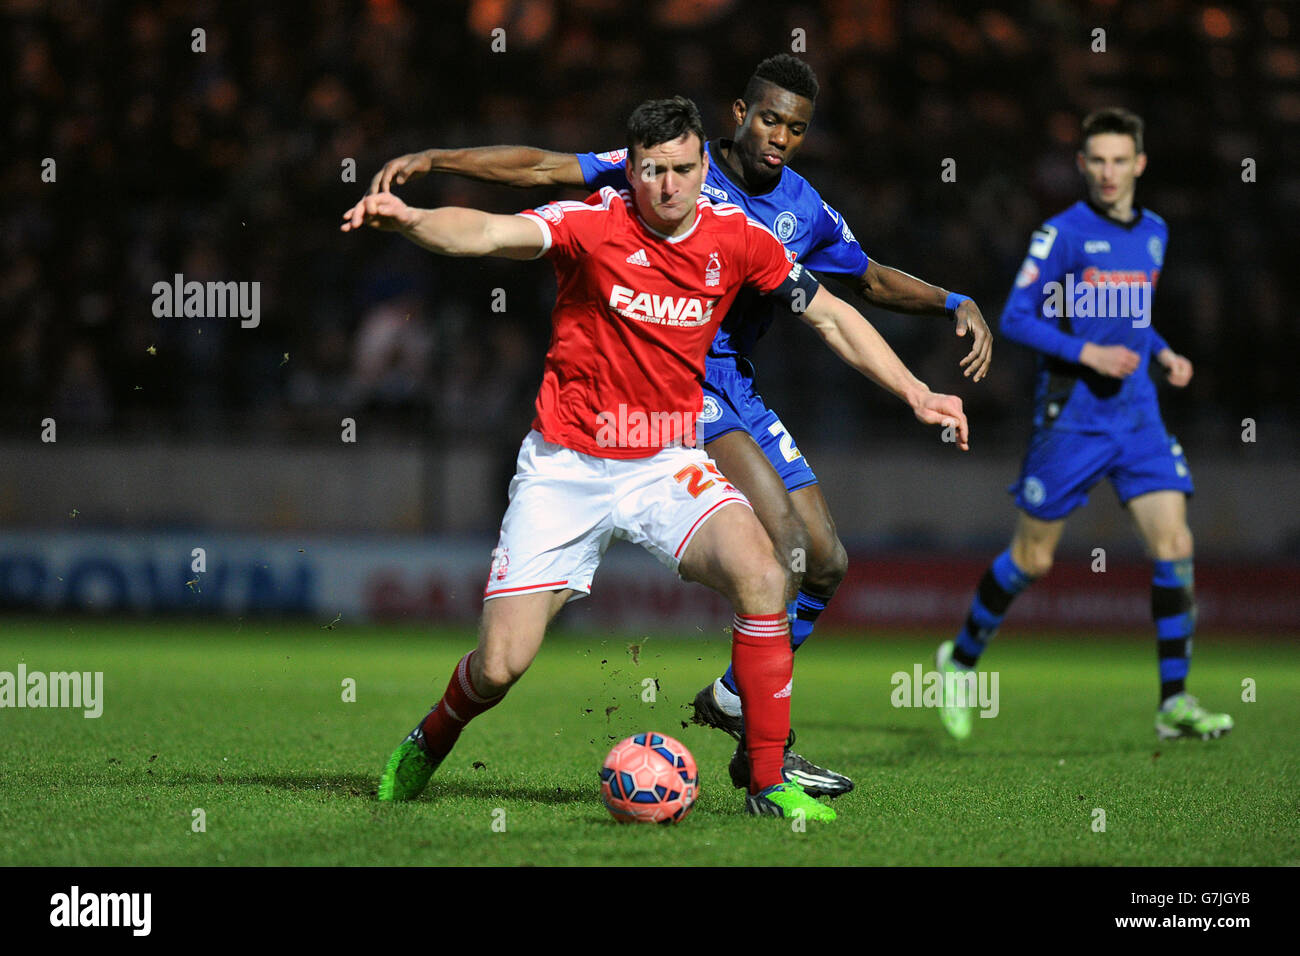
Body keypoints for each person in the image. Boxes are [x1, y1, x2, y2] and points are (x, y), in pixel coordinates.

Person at [366, 54, 992, 797]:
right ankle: (432, 735)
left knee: (794, 565)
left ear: (702, 169)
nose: (669, 185)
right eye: (655, 171)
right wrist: (414, 215)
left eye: (682, 171)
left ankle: (764, 770)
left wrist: (921, 386)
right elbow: (494, 226)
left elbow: (835, 309)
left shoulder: (752, 230)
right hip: (573, 461)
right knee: (501, 666)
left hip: (668, 448)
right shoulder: (594, 219)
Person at [935, 108, 1232, 741]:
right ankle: (958, 661)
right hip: (1071, 415)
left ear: (1139, 164)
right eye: (1096, 160)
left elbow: (1131, 316)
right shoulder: (1062, 234)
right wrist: (1087, 354)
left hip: (1138, 414)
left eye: (1120, 160)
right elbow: (1015, 317)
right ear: (1082, 165)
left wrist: (1163, 352)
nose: (1108, 172)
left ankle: (1174, 702)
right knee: (1033, 558)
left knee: (1175, 546)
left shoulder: (1154, 232)